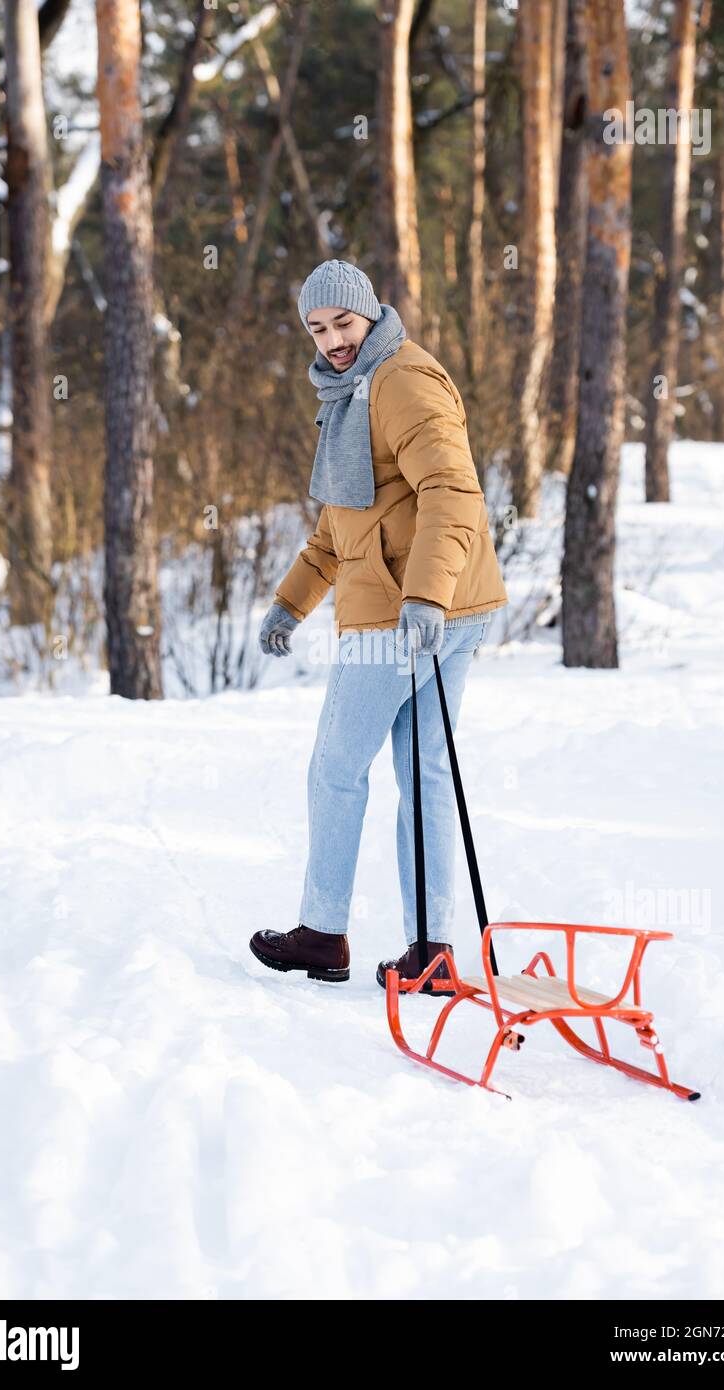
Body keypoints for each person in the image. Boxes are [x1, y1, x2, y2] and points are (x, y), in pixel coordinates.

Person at [250, 259, 507, 989]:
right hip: (444, 605)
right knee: (422, 774)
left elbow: (452, 493)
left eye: (343, 323)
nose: (332, 338)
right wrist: (290, 602)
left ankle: (322, 932)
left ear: (370, 315)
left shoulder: (399, 380)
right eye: (318, 327)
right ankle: (430, 949)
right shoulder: (352, 392)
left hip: (406, 612)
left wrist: (422, 597)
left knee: (335, 770)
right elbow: (342, 529)